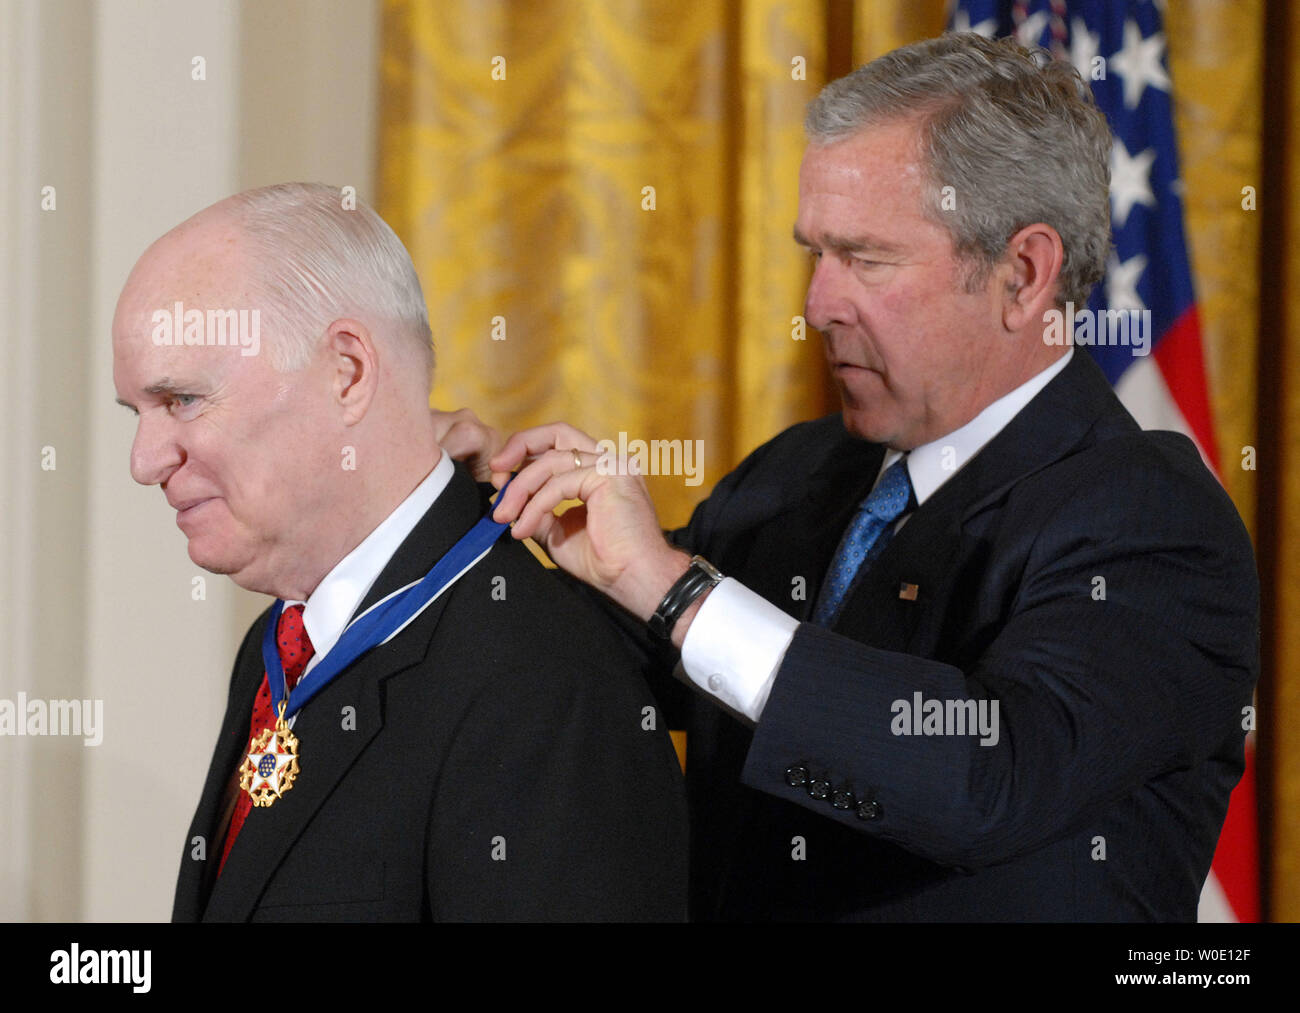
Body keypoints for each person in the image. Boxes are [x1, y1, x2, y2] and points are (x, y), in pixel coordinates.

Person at [449, 34, 1259, 920]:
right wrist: (455, 498)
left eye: (866, 259)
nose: (818, 305)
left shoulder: (1153, 519)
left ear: (1023, 275)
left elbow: (986, 774)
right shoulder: (798, 473)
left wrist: (678, 593)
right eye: (814, 254)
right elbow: (602, 665)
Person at [112, 182, 688, 922]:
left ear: (346, 372)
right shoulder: (279, 643)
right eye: (137, 412)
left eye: (182, 400)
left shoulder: (540, 681)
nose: (145, 458)